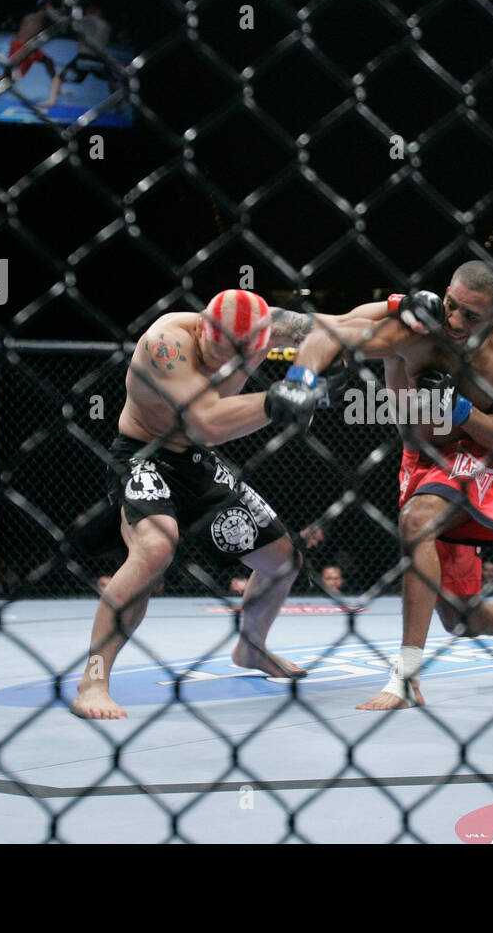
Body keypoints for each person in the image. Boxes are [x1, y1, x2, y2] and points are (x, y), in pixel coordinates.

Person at [289, 260, 493, 710]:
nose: (454, 322)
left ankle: (405, 679)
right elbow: (326, 333)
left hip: (474, 457)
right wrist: (300, 379)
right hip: (419, 460)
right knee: (463, 618)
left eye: (471, 316)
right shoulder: (413, 330)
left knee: (415, 521)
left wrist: (461, 412)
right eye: (452, 306)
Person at [69, 288, 335, 720]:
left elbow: (337, 326)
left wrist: (400, 312)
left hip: (196, 462)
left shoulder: (270, 327)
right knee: (155, 549)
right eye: (216, 348)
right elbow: (207, 421)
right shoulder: (167, 342)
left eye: (238, 354)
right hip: (143, 452)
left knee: (282, 561)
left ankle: (251, 647)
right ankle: (93, 680)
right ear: (202, 326)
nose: (222, 360)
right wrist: (278, 400)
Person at [0, 0, 62, 94]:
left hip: (27, 46)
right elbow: (57, 18)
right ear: (45, 6)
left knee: (48, 61)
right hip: (23, 48)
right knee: (10, 78)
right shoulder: (44, 13)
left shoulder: (29, 17)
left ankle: (56, 87)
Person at [38, 6, 122, 109]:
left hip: (83, 59)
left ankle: (51, 101)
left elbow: (60, 20)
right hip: (101, 60)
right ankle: (119, 107)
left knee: (58, 78)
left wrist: (47, 8)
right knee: (112, 81)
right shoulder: (107, 25)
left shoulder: (86, 20)